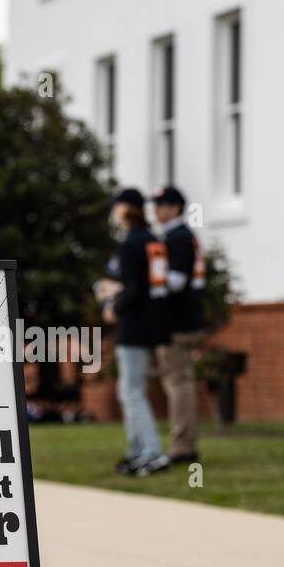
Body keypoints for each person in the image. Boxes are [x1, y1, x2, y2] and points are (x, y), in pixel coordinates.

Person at [100, 188, 171, 476]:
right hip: (152, 322)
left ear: (126, 209)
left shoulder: (132, 243)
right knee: (131, 389)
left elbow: (134, 287)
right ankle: (138, 450)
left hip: (135, 325)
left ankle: (150, 451)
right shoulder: (153, 241)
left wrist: (113, 306)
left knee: (131, 390)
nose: (114, 214)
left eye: (117, 208)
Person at [151, 185, 206, 464]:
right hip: (187, 320)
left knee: (178, 383)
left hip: (178, 323)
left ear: (174, 208)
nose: (156, 210)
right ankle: (184, 442)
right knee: (179, 381)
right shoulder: (181, 237)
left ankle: (183, 446)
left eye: (161, 205)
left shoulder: (178, 238)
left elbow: (175, 281)